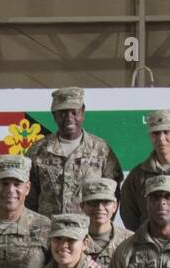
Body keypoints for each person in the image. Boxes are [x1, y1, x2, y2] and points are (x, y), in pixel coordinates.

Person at [25, 87, 123, 216]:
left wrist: (100, 229)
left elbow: (113, 195)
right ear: (54, 115)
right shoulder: (38, 150)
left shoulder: (101, 150)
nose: (69, 118)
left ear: (82, 112)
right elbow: (28, 197)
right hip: (49, 230)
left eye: (74, 112)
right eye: (62, 113)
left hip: (87, 231)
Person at [116, 109, 170, 230]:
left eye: (166, 132)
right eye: (156, 133)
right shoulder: (138, 175)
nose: (161, 138)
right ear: (149, 135)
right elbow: (129, 215)